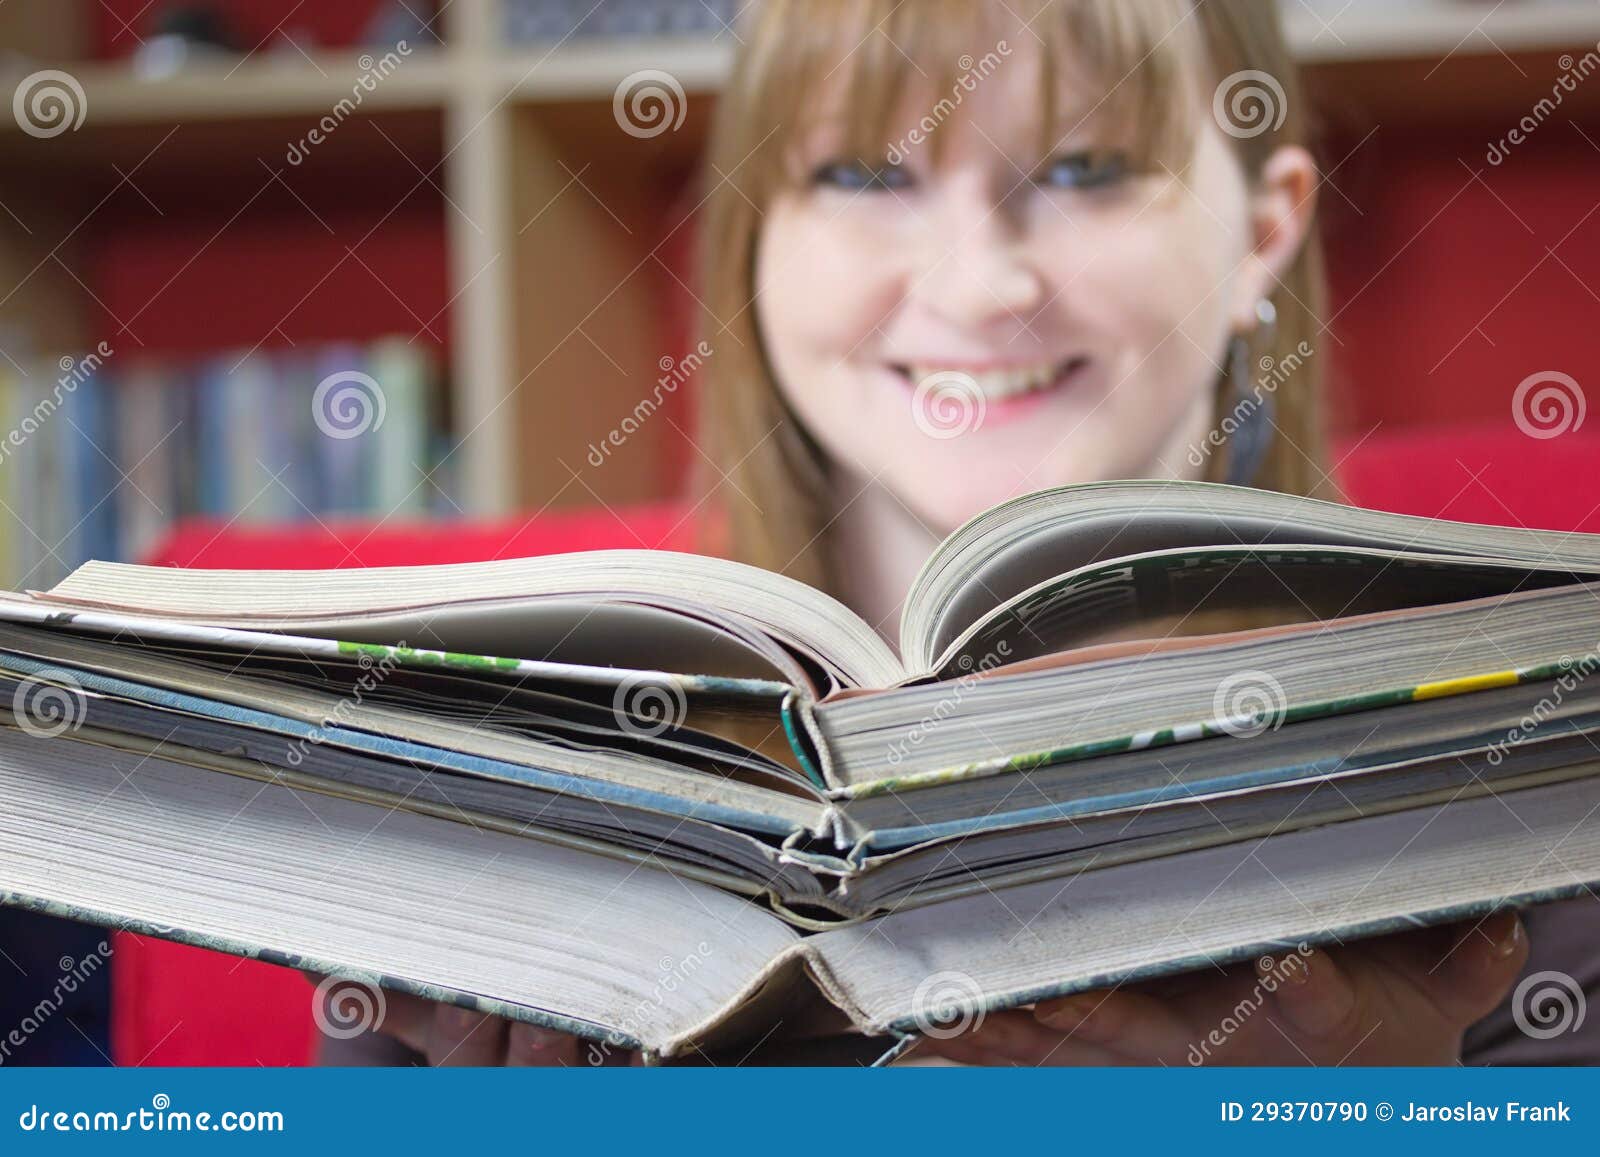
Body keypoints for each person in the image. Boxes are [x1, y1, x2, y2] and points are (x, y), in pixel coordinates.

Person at [327, 0, 1598, 1066]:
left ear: (1261, 232)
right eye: (864, 175)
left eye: (1085, 169)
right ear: (758, 241)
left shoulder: (1519, 783)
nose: (975, 285)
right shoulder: (497, 794)